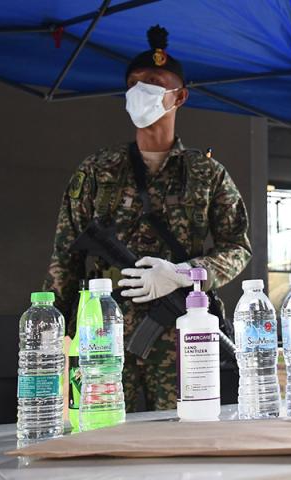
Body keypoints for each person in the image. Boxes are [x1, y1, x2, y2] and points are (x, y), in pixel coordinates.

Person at [43, 25, 251, 411]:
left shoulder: (207, 173)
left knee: (182, 435)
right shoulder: (97, 169)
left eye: (154, 82)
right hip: (102, 330)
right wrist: (54, 332)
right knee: (98, 435)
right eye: (135, 83)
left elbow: (237, 247)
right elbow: (65, 257)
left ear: (180, 96)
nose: (142, 91)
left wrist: (184, 272)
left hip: (180, 330)